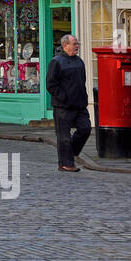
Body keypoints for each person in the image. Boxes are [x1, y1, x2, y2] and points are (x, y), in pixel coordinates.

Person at [47, 34, 91, 172]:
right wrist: (63, 97)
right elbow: (51, 84)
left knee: (85, 129)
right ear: (65, 45)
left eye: (78, 43)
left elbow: (82, 81)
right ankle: (66, 164)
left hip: (80, 105)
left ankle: (70, 153)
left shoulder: (79, 61)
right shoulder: (57, 61)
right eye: (75, 43)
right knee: (64, 137)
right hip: (63, 106)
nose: (77, 46)